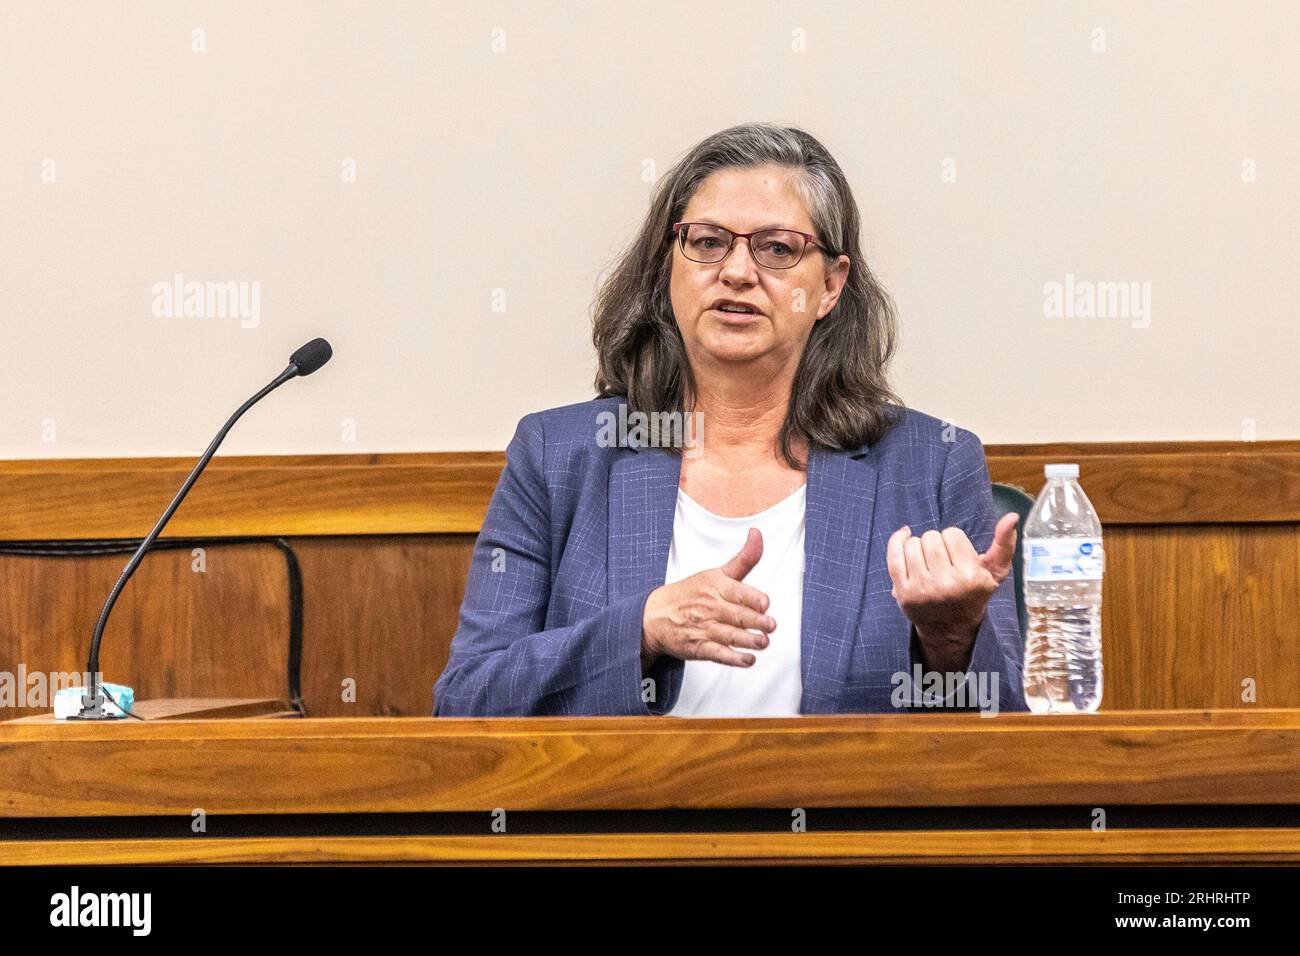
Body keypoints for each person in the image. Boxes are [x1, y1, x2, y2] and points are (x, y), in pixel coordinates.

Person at [434, 123, 1025, 717]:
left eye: (776, 248)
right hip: (622, 807)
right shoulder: (559, 455)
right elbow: (464, 704)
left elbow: (1014, 748)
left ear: (829, 287)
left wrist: (950, 640)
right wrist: (641, 630)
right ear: (671, 267)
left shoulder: (932, 463)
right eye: (710, 242)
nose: (738, 272)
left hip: (836, 807)